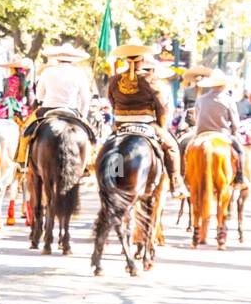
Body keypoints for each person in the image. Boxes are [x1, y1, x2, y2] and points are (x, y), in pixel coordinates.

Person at [106, 43, 184, 196]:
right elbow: (161, 106)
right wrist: (162, 127)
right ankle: (176, 184)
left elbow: (112, 102)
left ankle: (109, 181)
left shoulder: (114, 79)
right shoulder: (151, 79)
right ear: (142, 60)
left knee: (107, 147)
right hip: (146, 123)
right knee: (171, 147)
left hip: (121, 123)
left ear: (126, 60)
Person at [15, 44, 91, 165]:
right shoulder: (80, 74)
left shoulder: (48, 71)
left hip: (47, 110)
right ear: (73, 58)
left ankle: (22, 160)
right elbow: (85, 100)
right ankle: (88, 162)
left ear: (58, 57)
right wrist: (82, 117)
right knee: (90, 136)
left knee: (26, 131)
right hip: (72, 111)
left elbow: (39, 96)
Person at [194, 69, 248, 187]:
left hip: (201, 134)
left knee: (187, 150)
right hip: (222, 134)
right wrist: (234, 132)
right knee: (240, 151)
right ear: (224, 85)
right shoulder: (228, 100)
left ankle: (183, 177)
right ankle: (240, 178)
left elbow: (196, 118)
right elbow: (235, 123)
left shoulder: (200, 99)